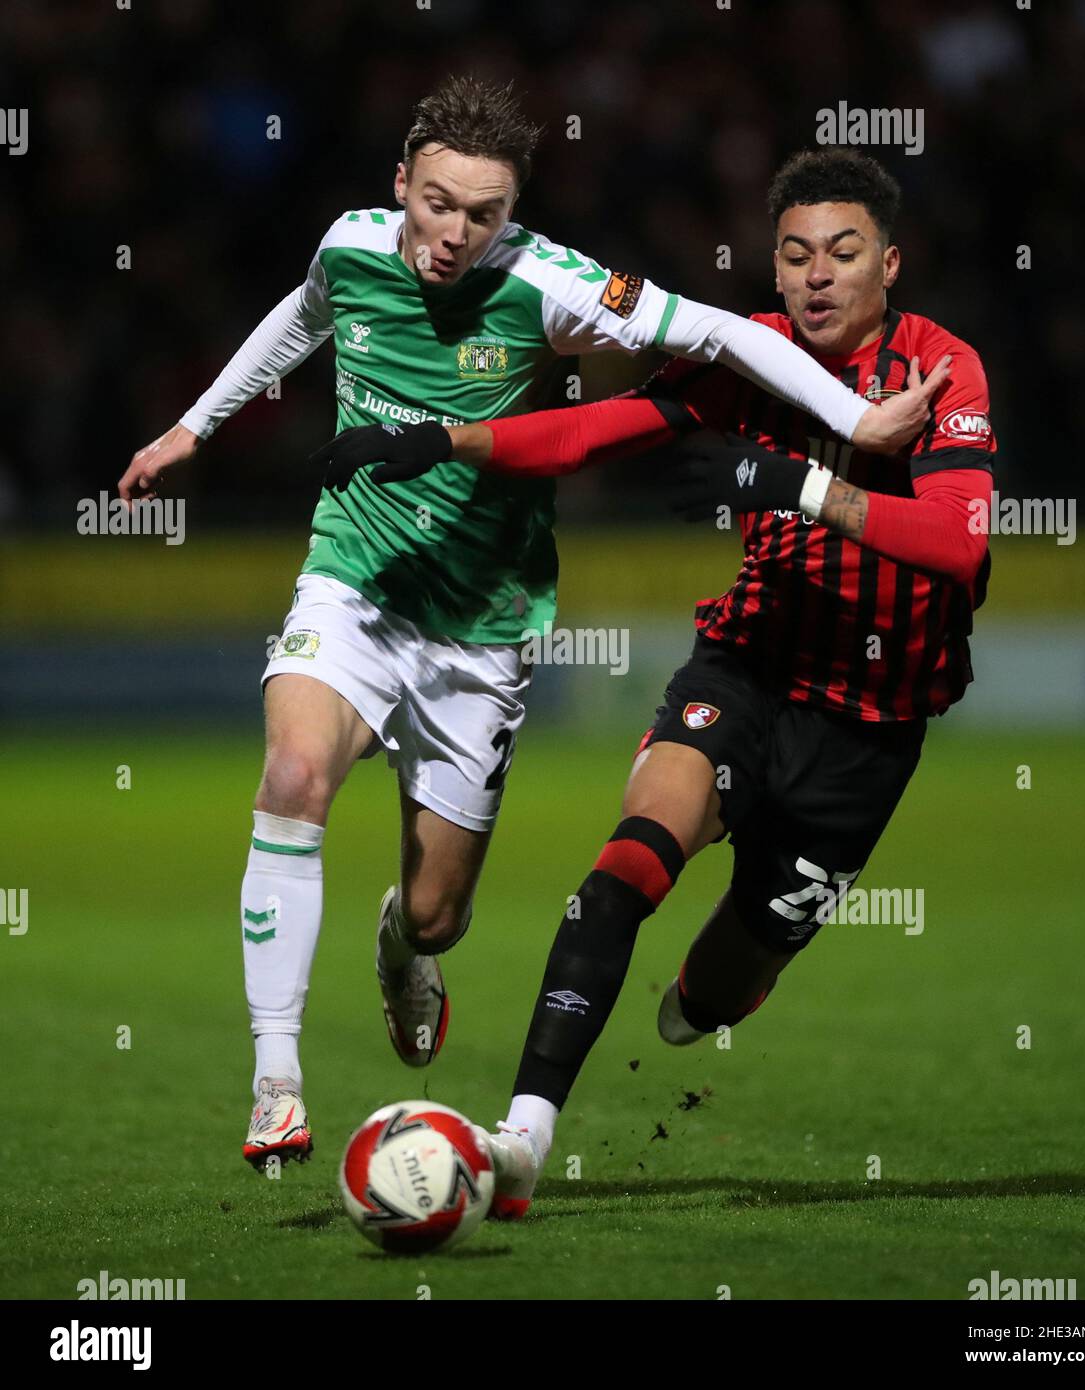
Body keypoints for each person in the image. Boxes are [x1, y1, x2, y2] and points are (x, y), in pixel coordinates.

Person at [118, 80, 938, 1172]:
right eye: (438, 203)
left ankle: (404, 945)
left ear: (513, 215)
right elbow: (301, 315)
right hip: (355, 580)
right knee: (297, 773)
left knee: (440, 910)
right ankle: (276, 1084)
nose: (454, 233)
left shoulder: (552, 283)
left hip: (482, 626)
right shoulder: (351, 245)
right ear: (400, 184)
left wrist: (852, 418)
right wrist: (192, 426)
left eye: (483, 213)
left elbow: (714, 332)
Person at [360, 147, 992, 1216]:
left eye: (843, 251)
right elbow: (592, 432)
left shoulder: (939, 370)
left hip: (870, 735)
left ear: (892, 263)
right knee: (627, 865)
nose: (817, 275)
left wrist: (794, 482)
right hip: (745, 669)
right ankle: (521, 1142)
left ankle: (718, 983)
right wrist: (445, 437)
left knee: (718, 989)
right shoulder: (746, 357)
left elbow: (960, 548)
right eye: (794, 255)